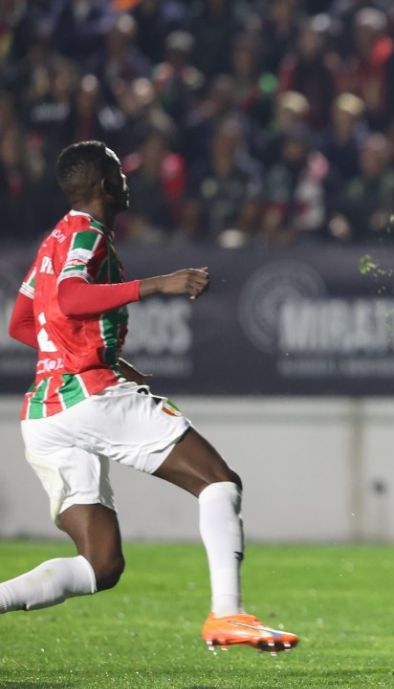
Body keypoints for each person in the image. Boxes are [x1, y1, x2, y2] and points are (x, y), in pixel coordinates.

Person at [0, 141, 298, 653]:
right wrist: (159, 284)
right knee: (218, 482)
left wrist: (88, 353)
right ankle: (228, 615)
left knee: (101, 565)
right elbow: (70, 298)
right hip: (89, 395)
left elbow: (23, 322)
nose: (126, 178)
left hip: (44, 414)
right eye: (118, 170)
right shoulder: (87, 233)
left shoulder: (54, 240)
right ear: (102, 184)